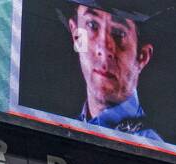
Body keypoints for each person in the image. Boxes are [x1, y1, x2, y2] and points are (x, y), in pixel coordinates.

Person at [61, 1, 163, 141]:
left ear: (142, 57)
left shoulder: (150, 147)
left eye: (119, 33)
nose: (103, 49)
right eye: (92, 25)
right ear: (76, 36)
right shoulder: (63, 129)